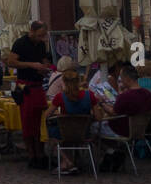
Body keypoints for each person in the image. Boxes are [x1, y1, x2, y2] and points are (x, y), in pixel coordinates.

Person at [6, 20, 54, 170]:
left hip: (38, 86)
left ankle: (41, 153)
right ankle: (31, 155)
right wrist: (31, 65)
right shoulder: (20, 43)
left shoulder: (40, 45)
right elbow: (11, 62)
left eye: (43, 36)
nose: (41, 39)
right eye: (39, 35)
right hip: (25, 86)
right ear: (31, 31)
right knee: (28, 123)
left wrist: (45, 68)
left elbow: (44, 60)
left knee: (40, 121)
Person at [97, 65, 151, 172]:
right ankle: (115, 152)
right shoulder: (148, 94)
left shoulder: (126, 96)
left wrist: (101, 103)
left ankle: (112, 152)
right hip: (141, 130)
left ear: (127, 79)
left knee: (93, 129)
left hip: (122, 129)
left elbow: (113, 112)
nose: (120, 80)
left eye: (121, 78)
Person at [44, 68, 98, 175]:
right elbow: (98, 117)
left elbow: (46, 115)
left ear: (63, 82)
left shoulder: (60, 97)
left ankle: (67, 162)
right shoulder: (90, 95)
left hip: (65, 133)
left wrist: (59, 116)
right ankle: (70, 161)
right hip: (84, 133)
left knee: (50, 133)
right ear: (78, 81)